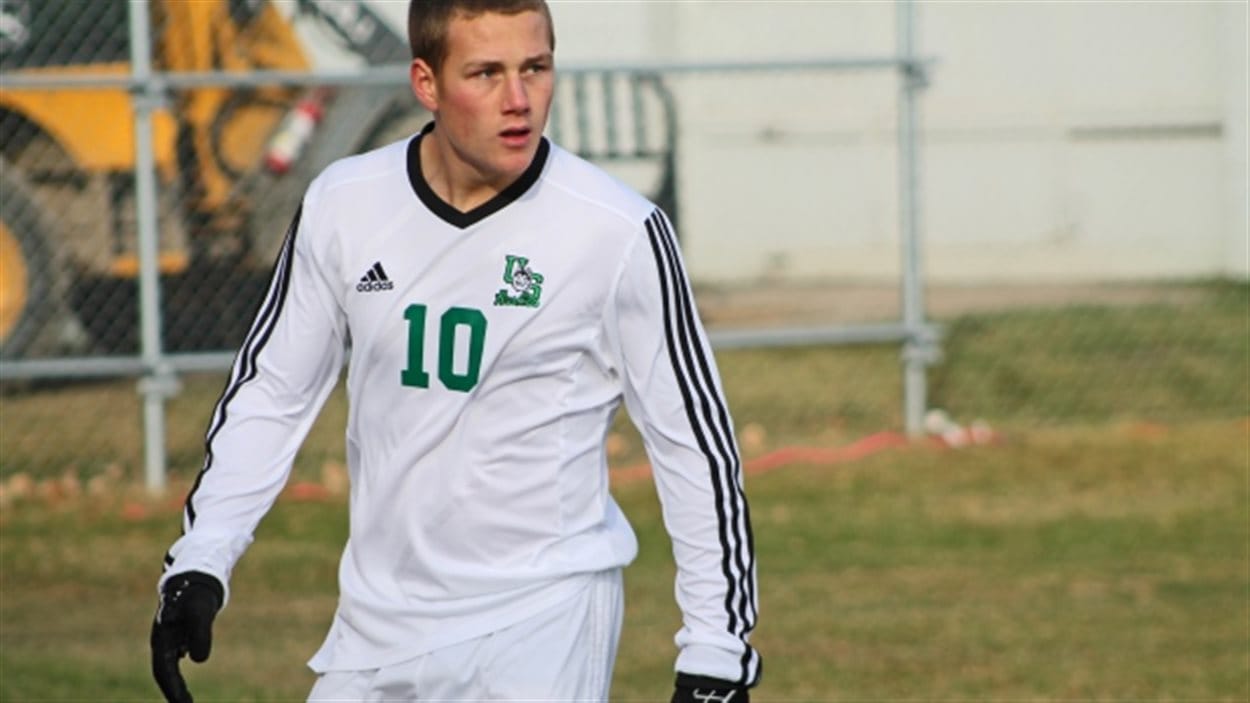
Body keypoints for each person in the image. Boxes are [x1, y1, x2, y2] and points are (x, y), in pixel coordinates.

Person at [149, 1, 760, 700]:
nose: (519, 100)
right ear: (426, 83)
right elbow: (273, 392)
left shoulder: (615, 230)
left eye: (536, 68)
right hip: (373, 629)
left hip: (540, 621)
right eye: (486, 73)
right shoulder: (344, 204)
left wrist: (715, 646)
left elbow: (692, 442)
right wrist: (201, 559)